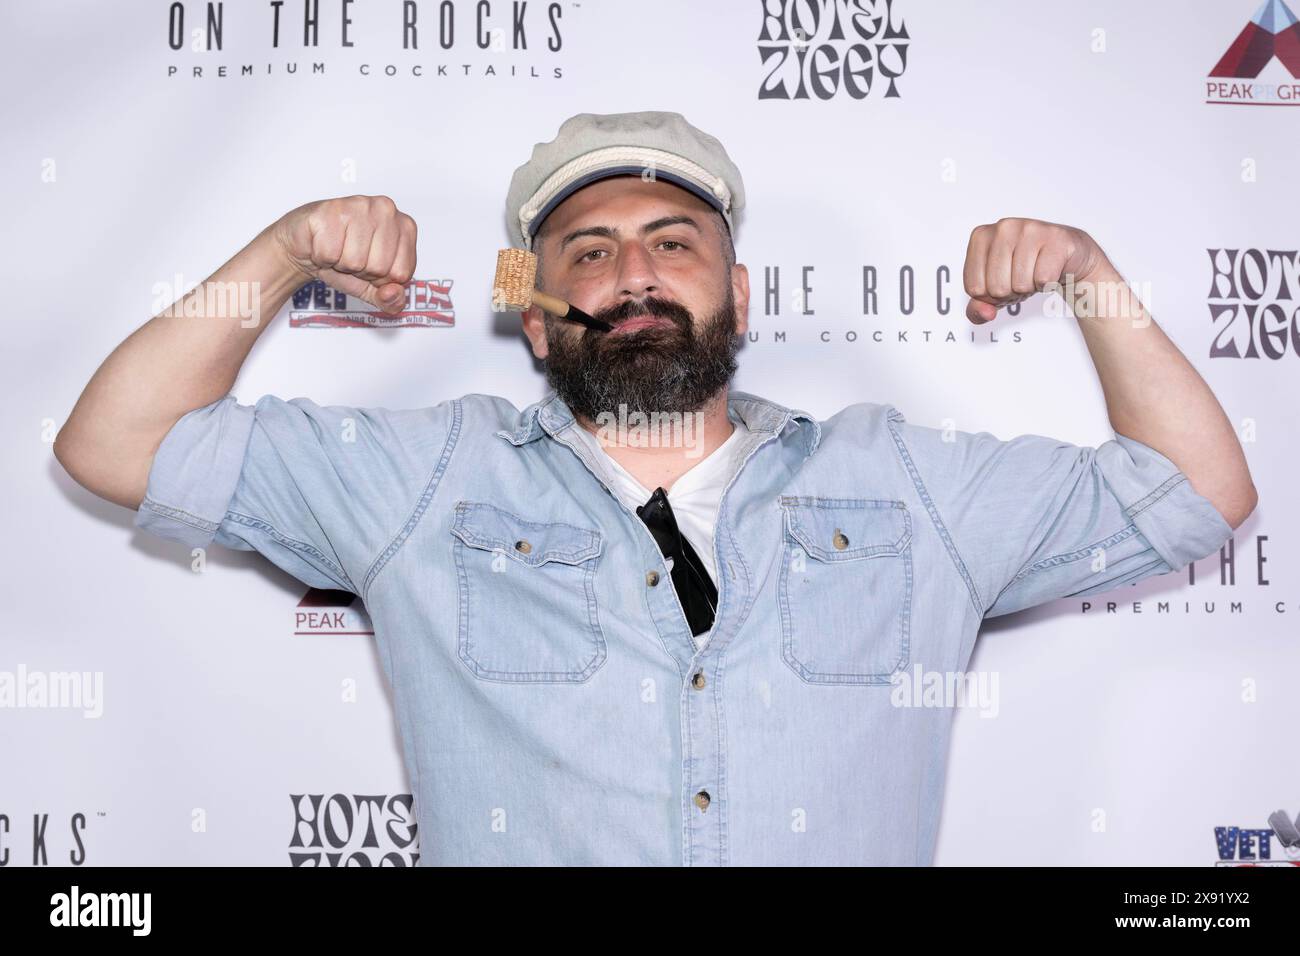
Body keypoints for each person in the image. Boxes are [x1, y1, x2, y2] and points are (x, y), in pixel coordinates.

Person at [54, 110, 1257, 866]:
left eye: (675, 242)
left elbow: (1195, 491)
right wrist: (287, 248)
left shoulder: (901, 480)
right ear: (534, 322)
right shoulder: (425, 481)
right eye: (587, 251)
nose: (633, 271)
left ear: (743, 297)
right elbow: (115, 442)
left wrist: (1091, 278)